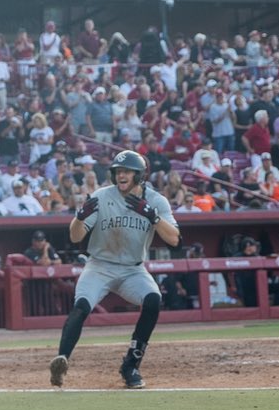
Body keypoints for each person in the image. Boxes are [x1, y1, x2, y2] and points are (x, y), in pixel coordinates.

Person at [49, 150, 181, 389]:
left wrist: (153, 217)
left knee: (153, 300)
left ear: (139, 175)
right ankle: (62, 360)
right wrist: (79, 218)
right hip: (99, 265)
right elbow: (75, 235)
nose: (121, 175)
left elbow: (174, 239)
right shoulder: (102, 196)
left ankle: (130, 366)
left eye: (127, 171)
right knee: (81, 306)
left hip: (133, 269)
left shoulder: (156, 201)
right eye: (118, 171)